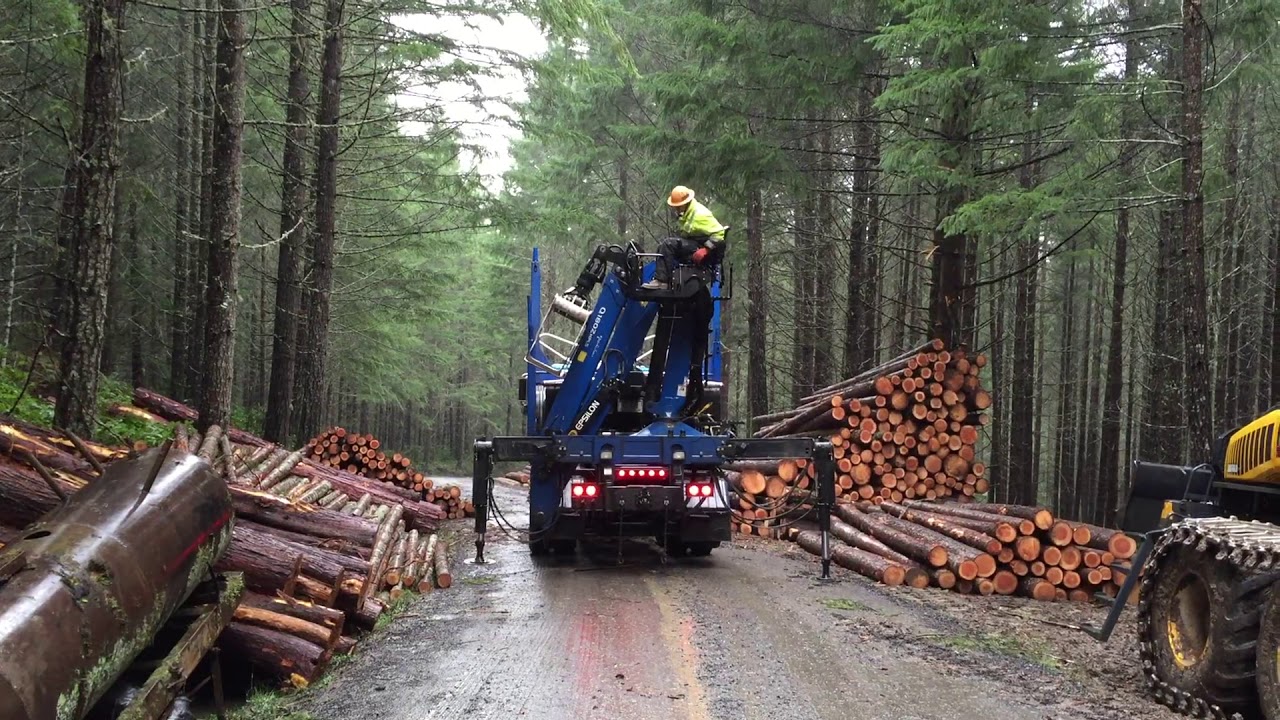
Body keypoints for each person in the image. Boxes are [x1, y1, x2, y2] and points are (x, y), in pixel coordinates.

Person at [641, 185, 726, 290]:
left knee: (668, 244)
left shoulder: (700, 214)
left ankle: (662, 281)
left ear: (686, 203)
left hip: (704, 250)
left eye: (678, 206)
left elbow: (719, 233)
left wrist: (706, 249)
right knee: (664, 247)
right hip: (697, 244)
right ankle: (666, 277)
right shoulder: (688, 213)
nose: (676, 208)